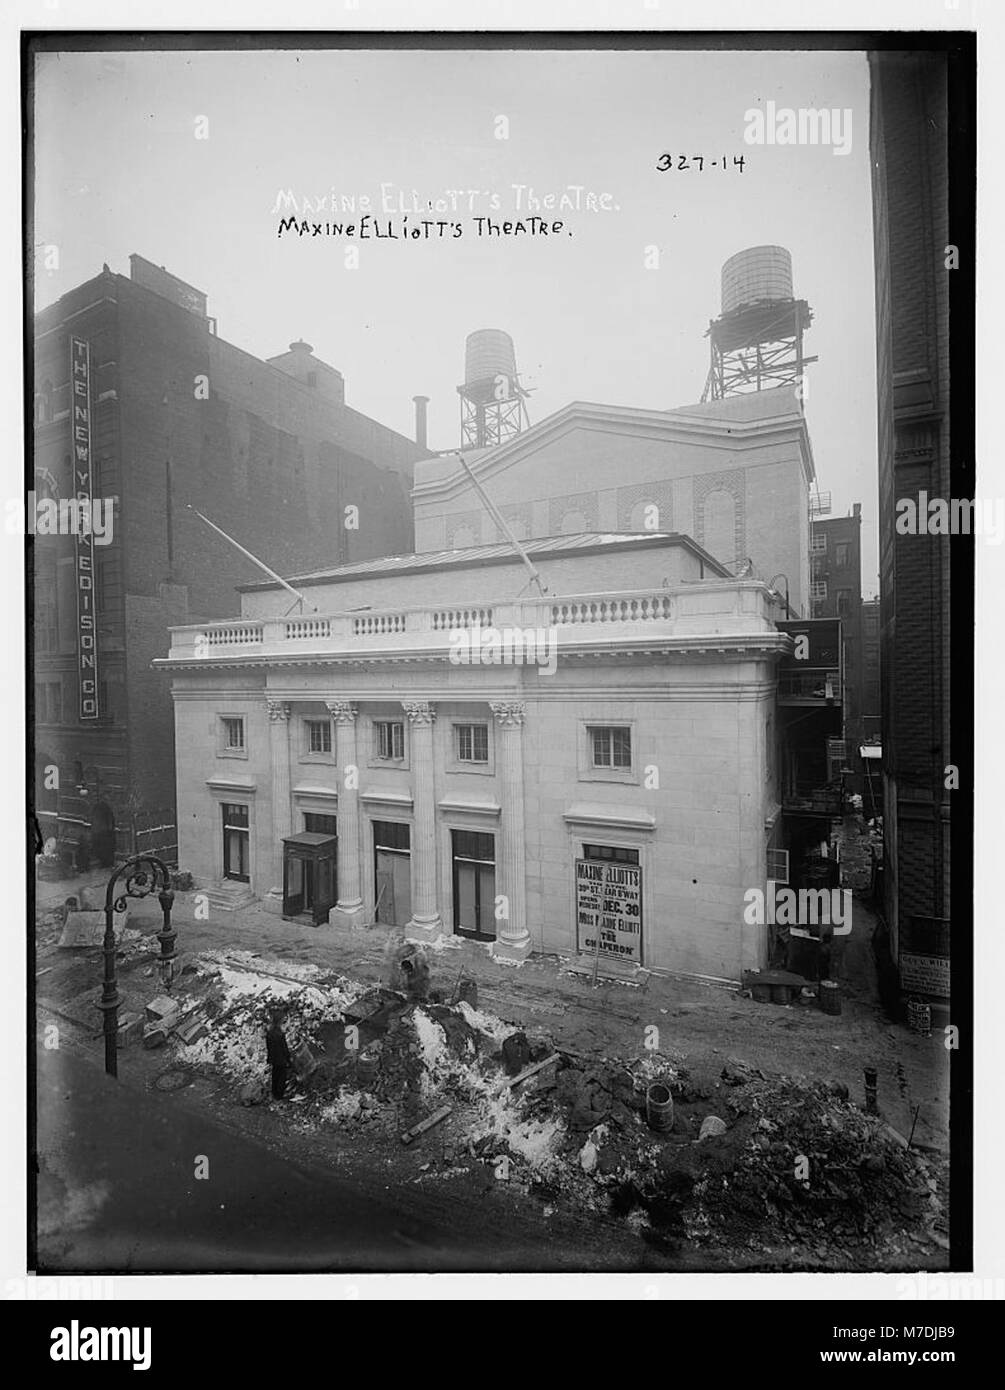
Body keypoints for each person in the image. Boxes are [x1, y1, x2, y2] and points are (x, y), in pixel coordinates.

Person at [265, 1014, 291, 1100]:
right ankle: (279, 1095)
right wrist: (288, 1058)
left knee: (275, 1075)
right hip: (281, 1059)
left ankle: (274, 1092)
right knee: (282, 1077)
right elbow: (284, 1048)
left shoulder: (269, 1034)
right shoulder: (280, 1034)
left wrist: (269, 1058)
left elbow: (268, 1047)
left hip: (273, 1058)